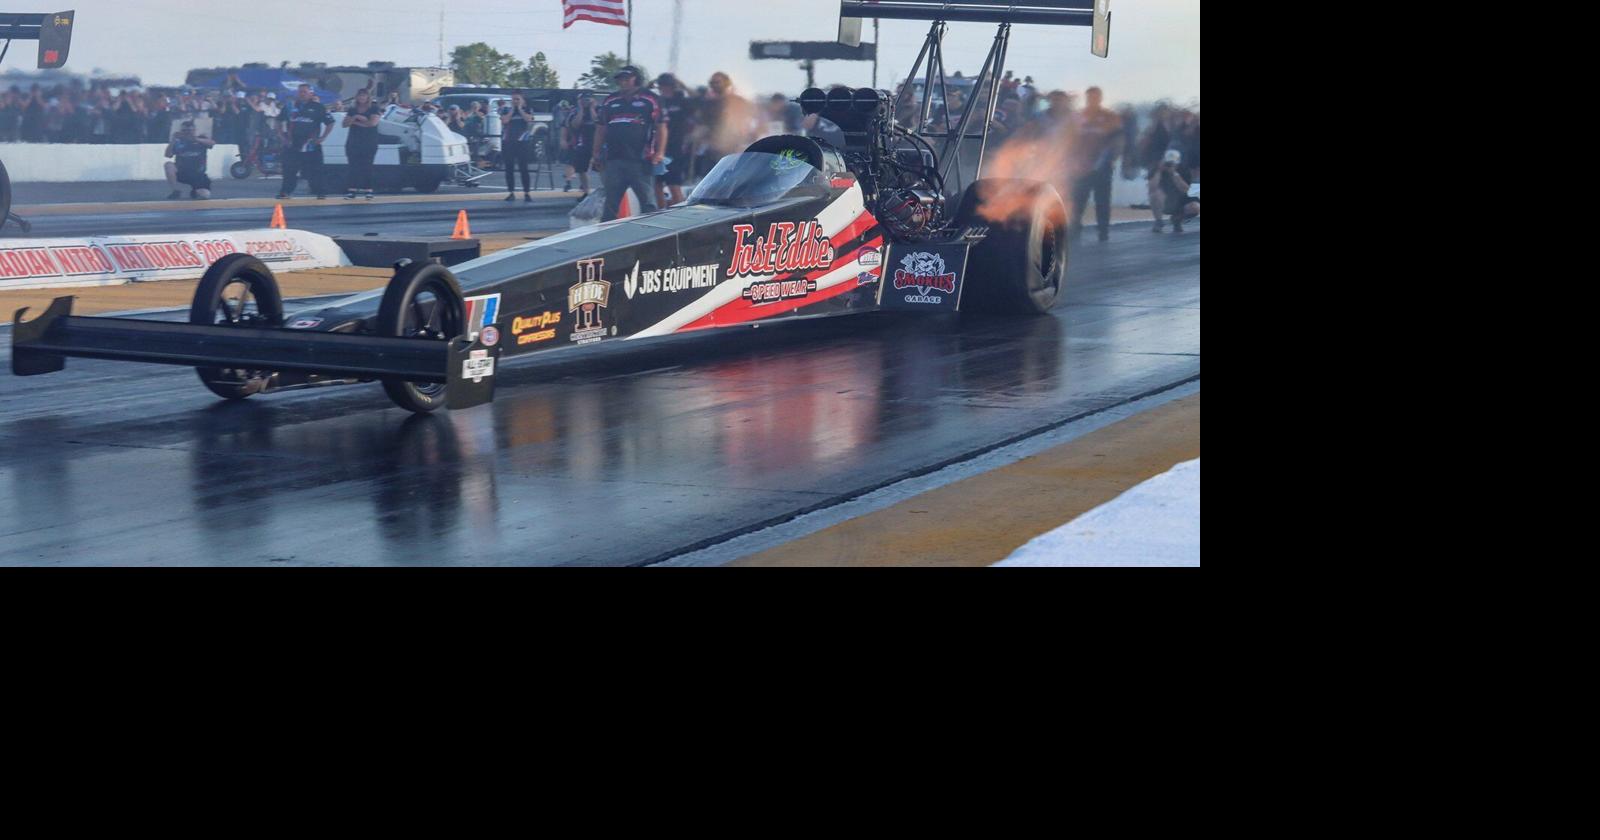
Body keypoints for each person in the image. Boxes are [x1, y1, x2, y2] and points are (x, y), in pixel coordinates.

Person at [594, 66, 667, 221]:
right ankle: (606, 239)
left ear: (636, 78)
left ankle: (652, 238)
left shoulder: (650, 99)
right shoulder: (610, 100)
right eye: (621, 78)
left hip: (640, 160)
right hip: (614, 159)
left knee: (648, 203)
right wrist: (595, 154)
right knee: (611, 204)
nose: (624, 81)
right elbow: (601, 129)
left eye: (628, 78)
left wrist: (659, 152)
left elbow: (661, 127)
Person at [1068, 86, 1123, 242]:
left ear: (1100, 98)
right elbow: (1069, 140)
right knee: (1078, 199)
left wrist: (1113, 158)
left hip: (1102, 165)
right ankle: (1075, 228)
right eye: (1089, 97)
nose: (1092, 100)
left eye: (1095, 97)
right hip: (1081, 165)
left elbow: (1118, 140)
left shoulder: (1110, 116)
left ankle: (1103, 231)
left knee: (1103, 200)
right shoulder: (1078, 116)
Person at [277, 84, 334, 200]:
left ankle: (320, 192)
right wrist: (282, 136)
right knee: (289, 169)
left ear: (310, 94)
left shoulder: (318, 107)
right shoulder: (289, 106)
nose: (302, 94)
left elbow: (330, 122)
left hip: (311, 145)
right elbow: (278, 121)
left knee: (316, 170)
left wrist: (323, 137)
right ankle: (286, 191)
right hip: (292, 144)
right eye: (300, 92)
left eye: (304, 92)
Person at [655, 74, 695, 206]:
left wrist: (682, 84)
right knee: (657, 183)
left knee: (673, 183)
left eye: (667, 86)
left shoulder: (681, 100)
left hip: (676, 146)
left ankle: (680, 211)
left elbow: (697, 100)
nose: (664, 89)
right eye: (661, 86)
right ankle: (660, 212)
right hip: (658, 147)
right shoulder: (657, 101)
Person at [343, 87, 382, 200]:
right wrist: (356, 117)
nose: (362, 98)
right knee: (353, 166)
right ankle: (352, 190)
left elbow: (372, 123)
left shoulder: (374, 108)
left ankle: (368, 190)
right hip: (353, 141)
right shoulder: (352, 109)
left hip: (369, 141)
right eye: (360, 95)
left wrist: (356, 120)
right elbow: (344, 124)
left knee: (367, 166)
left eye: (364, 95)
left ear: (368, 97)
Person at [1149, 149, 1198, 233]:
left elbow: (1187, 190)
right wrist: (1159, 171)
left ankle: (1177, 219)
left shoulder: (1184, 170)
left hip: (1181, 201)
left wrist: (1174, 174)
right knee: (1155, 195)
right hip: (1166, 201)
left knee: (1195, 207)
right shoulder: (1157, 169)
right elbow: (1152, 188)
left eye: (1172, 163)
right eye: (1168, 163)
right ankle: (1159, 222)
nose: (1169, 165)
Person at [164, 119, 215, 200]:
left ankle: (195, 191)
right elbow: (167, 155)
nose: (187, 132)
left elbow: (212, 143)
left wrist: (196, 139)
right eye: (184, 130)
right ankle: (175, 190)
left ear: (194, 130)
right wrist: (173, 140)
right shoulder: (178, 142)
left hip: (198, 174)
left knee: (205, 195)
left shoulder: (201, 139)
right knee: (168, 165)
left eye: (189, 130)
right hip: (182, 172)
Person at [500, 93, 537, 203]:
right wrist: (512, 110)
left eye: (517, 99)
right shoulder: (506, 110)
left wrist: (520, 109)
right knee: (509, 168)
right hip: (508, 141)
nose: (515, 101)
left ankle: (527, 193)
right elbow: (505, 120)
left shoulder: (527, 109)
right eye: (513, 99)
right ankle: (511, 192)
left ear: (522, 100)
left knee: (523, 168)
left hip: (522, 142)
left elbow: (528, 119)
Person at [562, 93, 598, 196]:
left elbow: (598, 122)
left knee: (602, 168)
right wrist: (581, 110)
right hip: (582, 143)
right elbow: (575, 125)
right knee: (582, 169)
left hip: (597, 142)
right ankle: (586, 192)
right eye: (584, 100)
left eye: (588, 99)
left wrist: (592, 109)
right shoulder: (575, 112)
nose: (586, 102)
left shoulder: (599, 109)